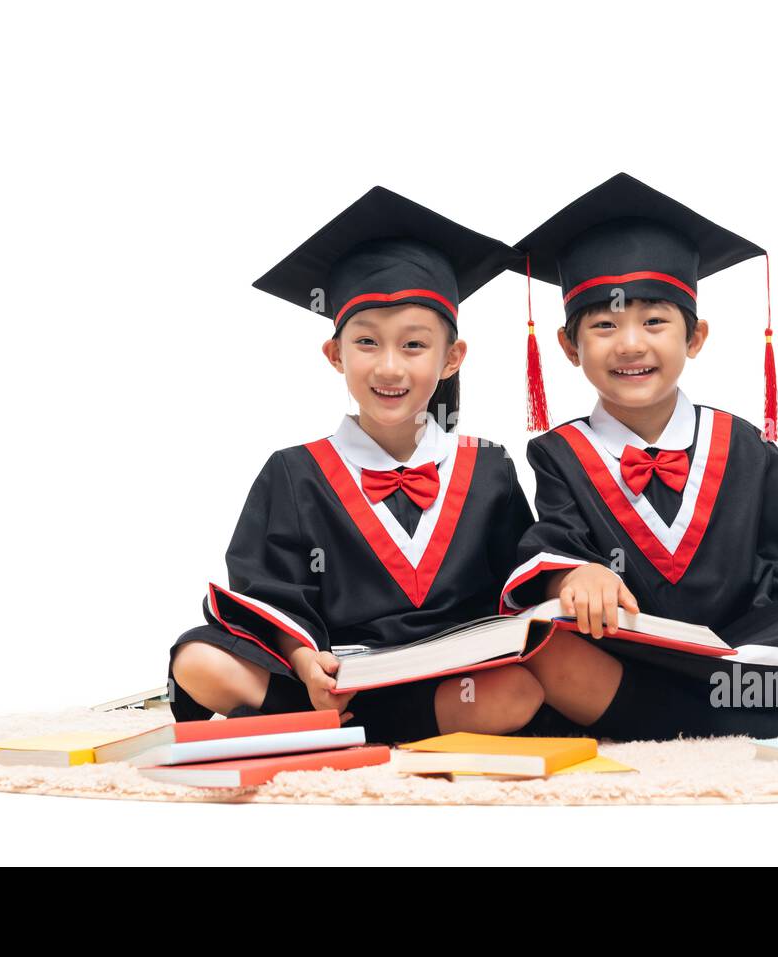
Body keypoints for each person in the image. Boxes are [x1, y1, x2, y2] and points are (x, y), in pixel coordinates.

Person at [501, 173, 778, 741]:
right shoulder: (559, 454)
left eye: (655, 322)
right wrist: (575, 574)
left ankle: (665, 717)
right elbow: (556, 537)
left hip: (739, 653)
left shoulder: (744, 445)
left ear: (695, 338)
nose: (630, 344)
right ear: (569, 347)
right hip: (633, 650)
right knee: (555, 638)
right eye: (603, 325)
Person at [166, 186, 547, 745]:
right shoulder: (294, 472)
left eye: (414, 345)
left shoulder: (488, 468)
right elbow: (268, 587)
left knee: (518, 692)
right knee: (197, 659)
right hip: (330, 676)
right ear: (336, 354)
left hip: (446, 680)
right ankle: (334, 717)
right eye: (367, 342)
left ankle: (327, 732)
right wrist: (301, 660)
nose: (389, 367)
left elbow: (516, 586)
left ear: (451, 358)